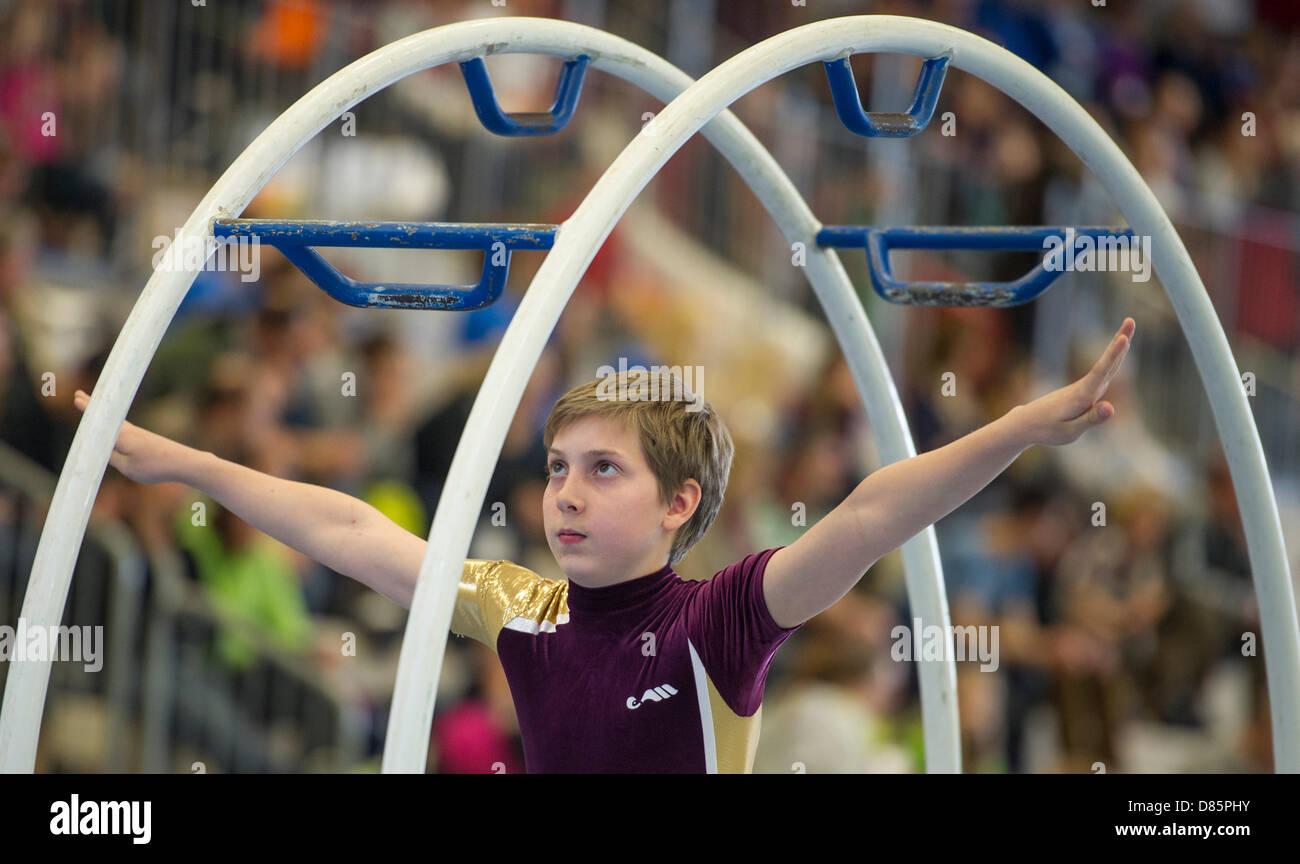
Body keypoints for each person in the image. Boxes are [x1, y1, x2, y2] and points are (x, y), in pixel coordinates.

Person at [72, 318, 1136, 773]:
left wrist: (1020, 427)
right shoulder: (518, 605)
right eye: (556, 469)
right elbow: (351, 528)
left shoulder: (717, 621)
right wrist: (190, 465)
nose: (565, 497)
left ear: (680, 504)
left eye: (602, 471)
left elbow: (865, 516)